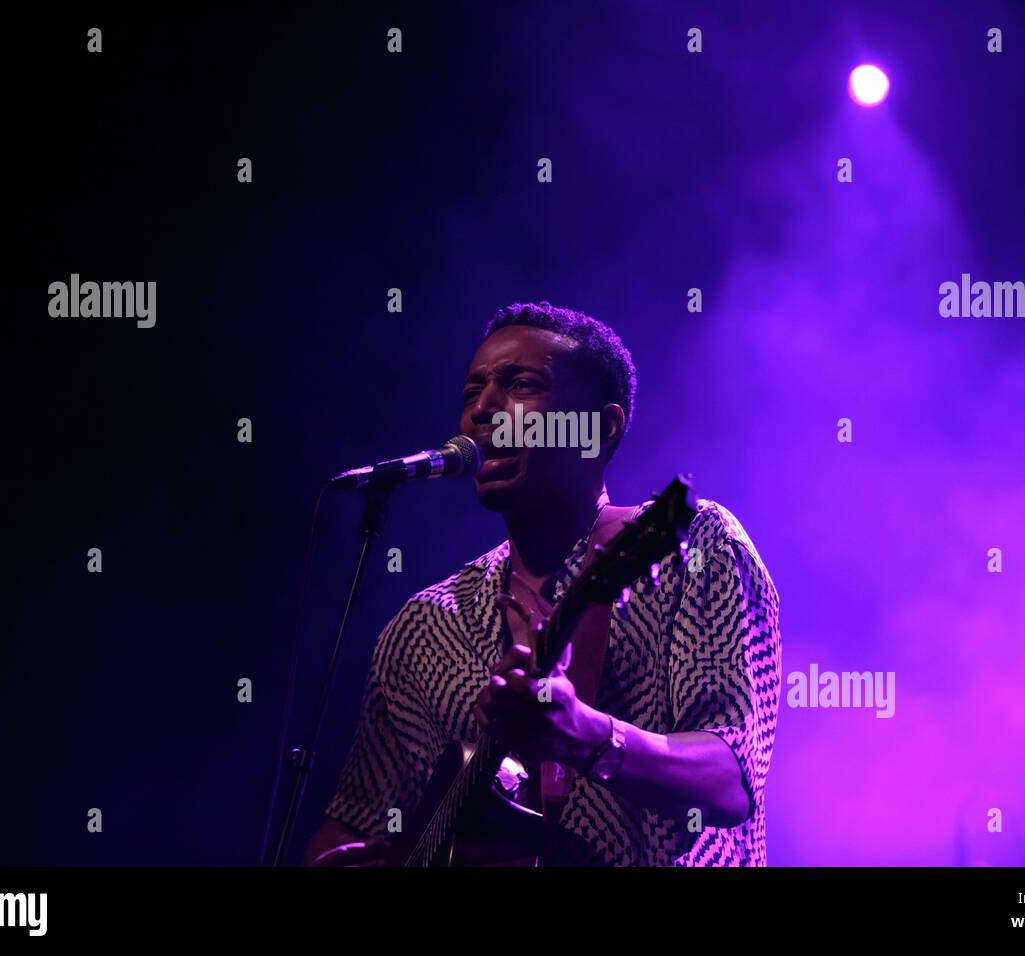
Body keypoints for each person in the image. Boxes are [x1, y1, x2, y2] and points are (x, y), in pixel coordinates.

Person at [304, 301, 780, 866]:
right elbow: (353, 824)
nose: (483, 408)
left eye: (520, 384)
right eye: (471, 391)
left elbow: (730, 779)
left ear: (598, 429)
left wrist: (584, 734)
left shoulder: (693, 548)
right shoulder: (423, 628)